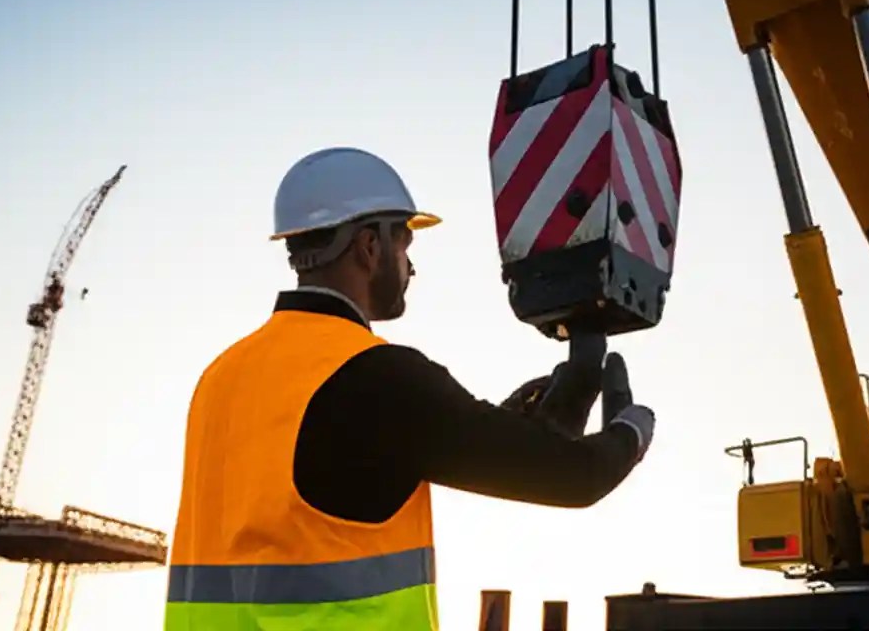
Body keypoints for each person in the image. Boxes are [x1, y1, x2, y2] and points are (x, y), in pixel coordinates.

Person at [164, 147, 656, 630]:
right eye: (403, 244)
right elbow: (574, 477)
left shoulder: (221, 378)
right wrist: (630, 429)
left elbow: (342, 477)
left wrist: (508, 422)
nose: (410, 266)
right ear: (368, 245)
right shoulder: (377, 377)